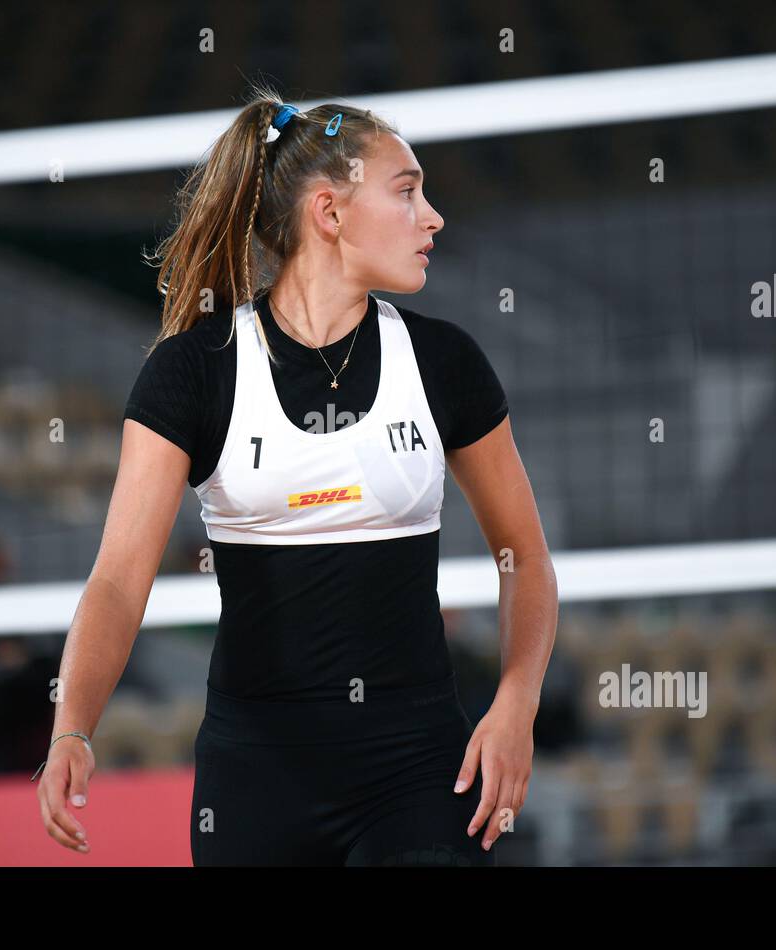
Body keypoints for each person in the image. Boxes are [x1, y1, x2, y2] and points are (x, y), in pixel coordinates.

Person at [35, 86, 557, 865]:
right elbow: (116, 582)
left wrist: (516, 703)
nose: (433, 217)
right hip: (258, 776)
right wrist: (72, 724)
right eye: (409, 192)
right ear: (330, 212)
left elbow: (524, 555)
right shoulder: (196, 371)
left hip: (417, 768)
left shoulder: (445, 362)